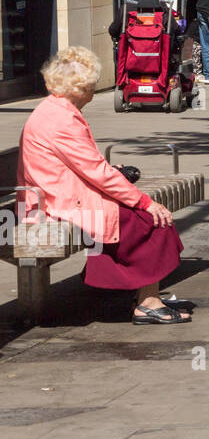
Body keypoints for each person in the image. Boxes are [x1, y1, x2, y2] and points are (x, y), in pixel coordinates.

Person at [19, 47, 190, 324]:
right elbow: (95, 172)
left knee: (139, 217)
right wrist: (145, 201)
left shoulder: (56, 109)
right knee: (149, 218)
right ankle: (147, 303)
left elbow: (86, 166)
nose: (92, 92)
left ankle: (147, 298)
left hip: (59, 194)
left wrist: (115, 173)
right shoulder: (61, 119)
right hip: (58, 202)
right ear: (80, 88)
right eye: (91, 86)